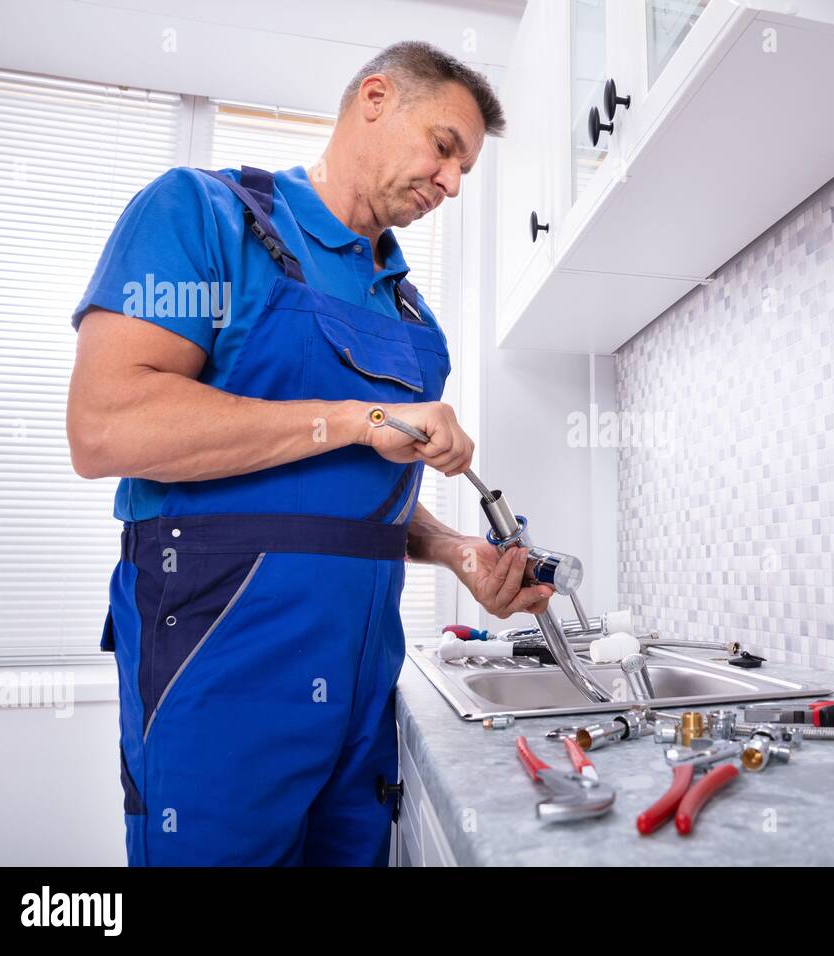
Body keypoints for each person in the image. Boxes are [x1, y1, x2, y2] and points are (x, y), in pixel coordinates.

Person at [66, 41, 548, 866]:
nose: (453, 184)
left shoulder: (411, 317)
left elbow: (351, 499)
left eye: (466, 168)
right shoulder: (204, 216)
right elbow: (106, 425)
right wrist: (357, 417)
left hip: (361, 702)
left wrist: (457, 550)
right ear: (373, 99)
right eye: (443, 147)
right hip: (219, 678)